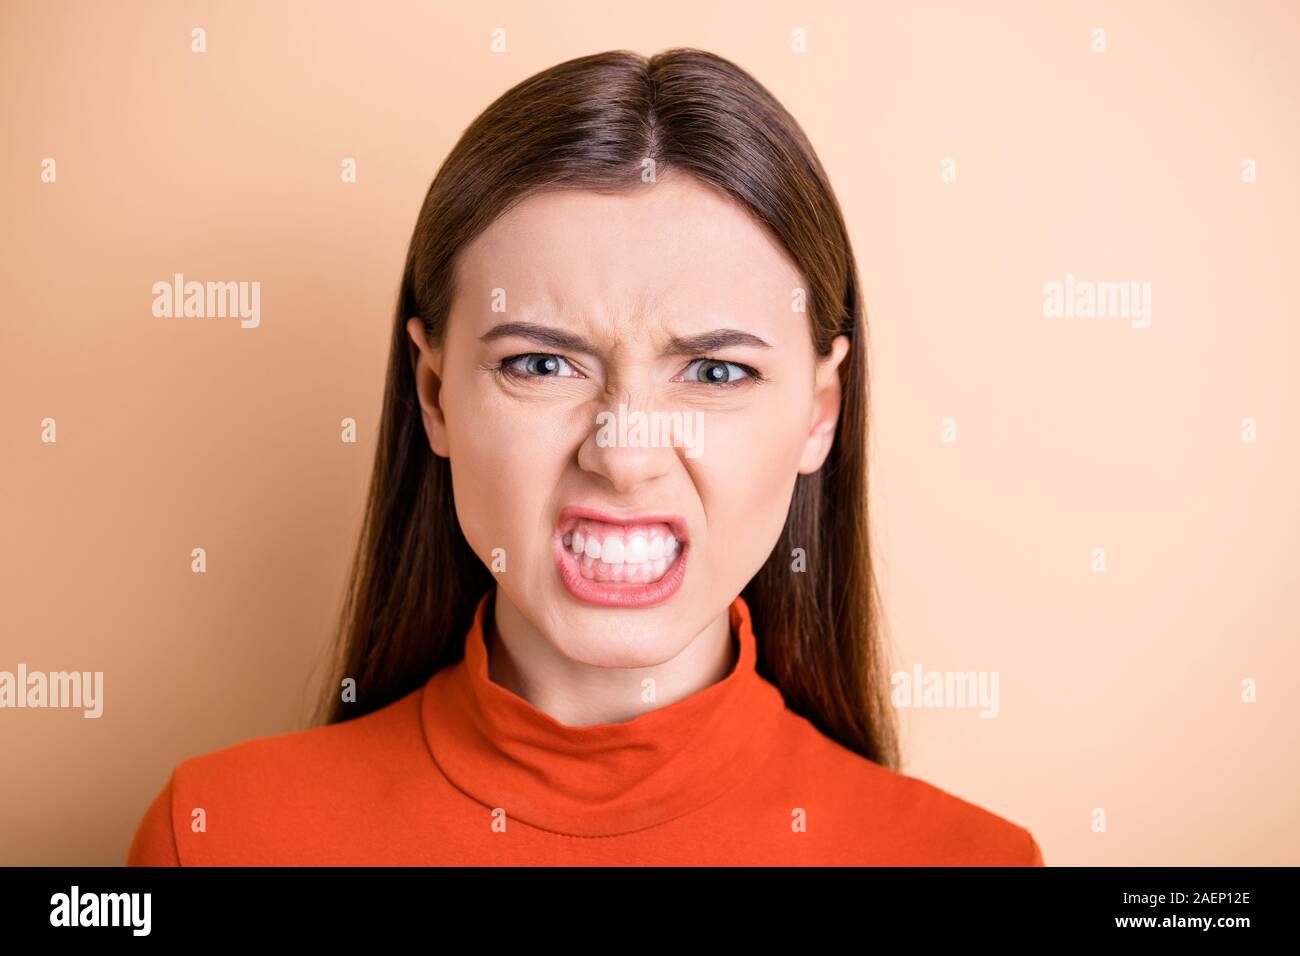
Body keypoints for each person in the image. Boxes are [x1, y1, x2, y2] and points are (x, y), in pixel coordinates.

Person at [126, 47, 1044, 866]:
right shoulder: (215, 836)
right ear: (436, 393)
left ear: (819, 411)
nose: (623, 453)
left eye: (716, 370)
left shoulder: (973, 863)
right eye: (541, 362)